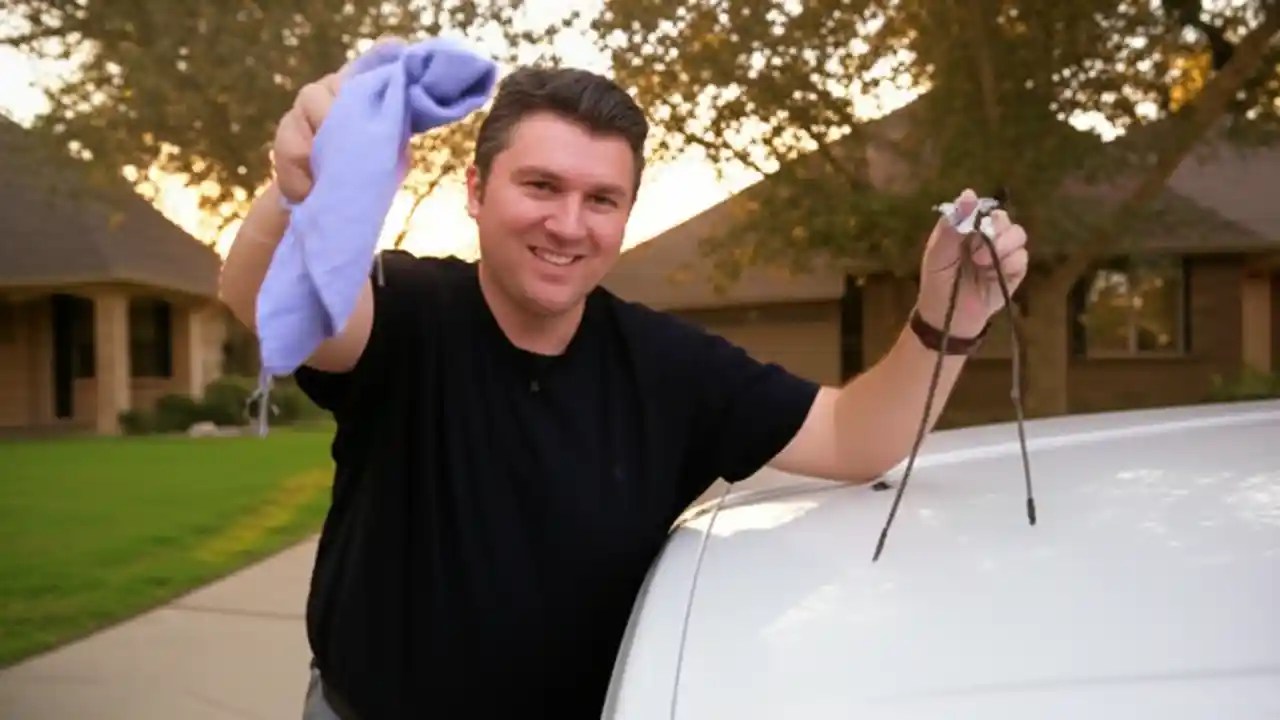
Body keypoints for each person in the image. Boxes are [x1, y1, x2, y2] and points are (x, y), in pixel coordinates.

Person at [219, 56, 1028, 719]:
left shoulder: (666, 365)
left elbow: (858, 437)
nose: (569, 225)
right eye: (540, 186)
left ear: (626, 214)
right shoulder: (407, 314)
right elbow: (270, 303)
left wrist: (946, 316)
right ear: (475, 191)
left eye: (600, 199)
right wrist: (298, 192)